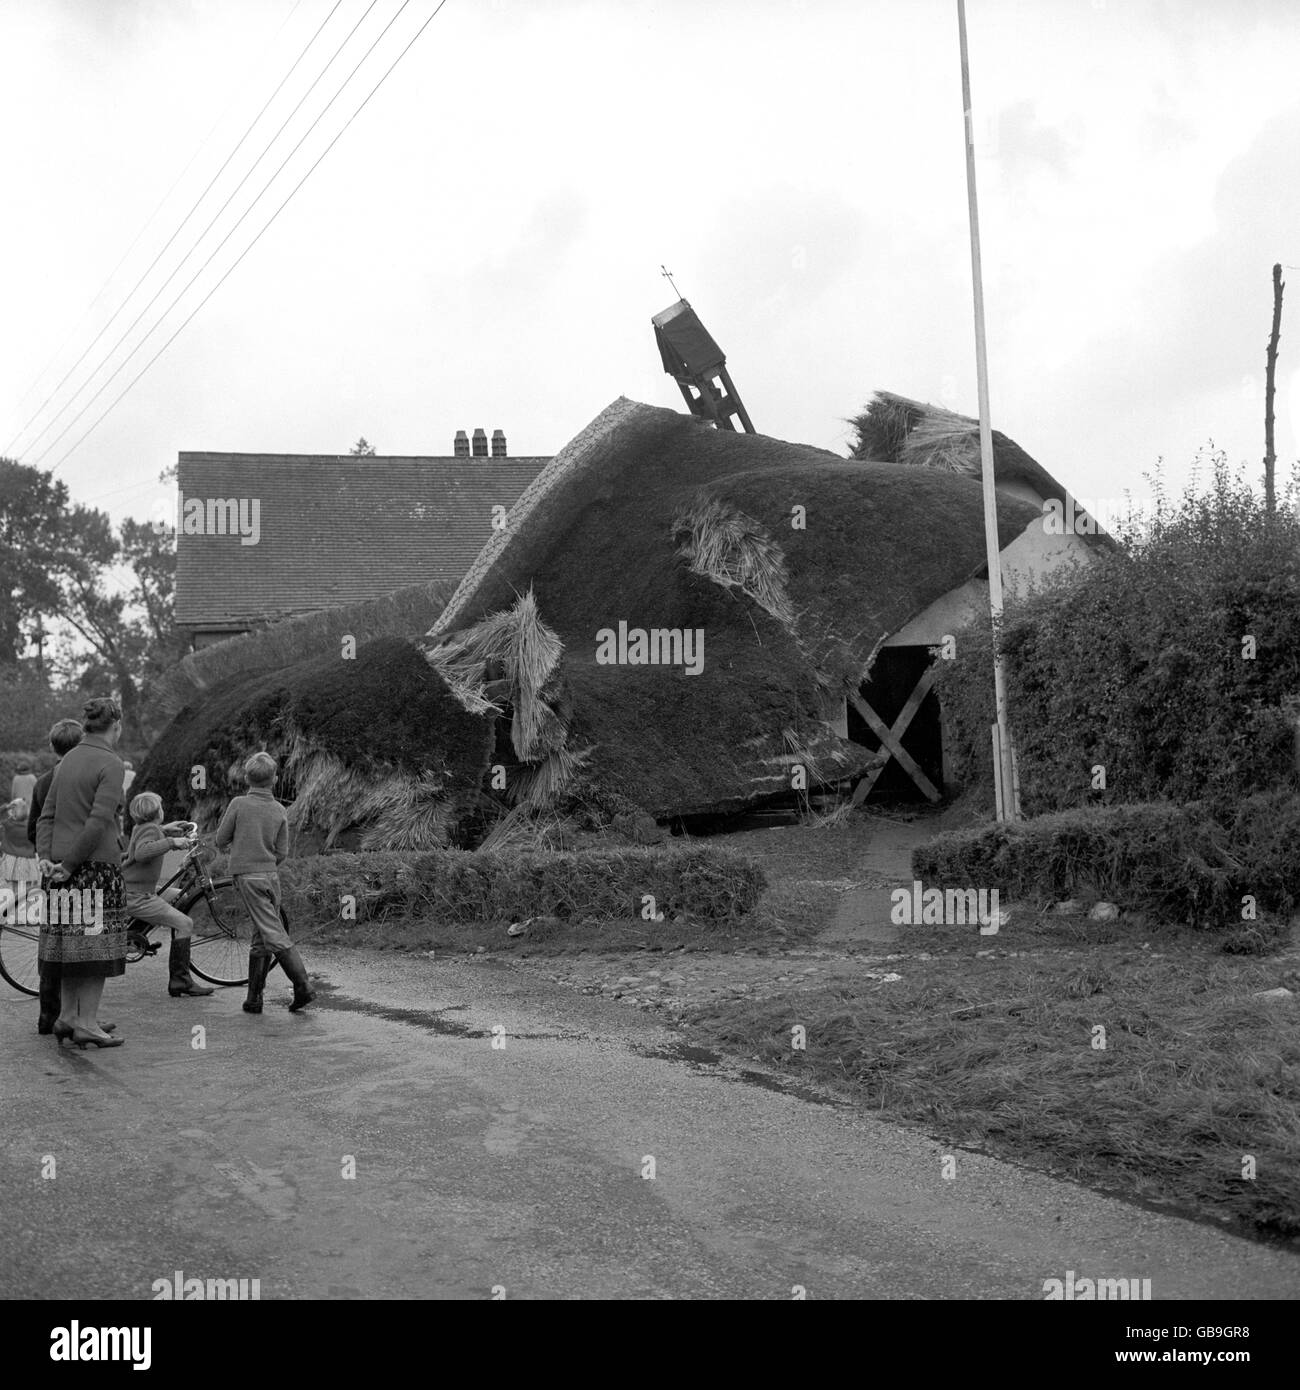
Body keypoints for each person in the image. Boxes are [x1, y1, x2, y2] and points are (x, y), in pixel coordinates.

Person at [35, 697, 128, 1049]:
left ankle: (68, 1017)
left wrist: (48, 858)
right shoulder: (111, 763)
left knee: (70, 950)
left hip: (58, 870)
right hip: (95, 870)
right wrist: (72, 863)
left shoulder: (69, 759)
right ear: (115, 726)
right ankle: (86, 1023)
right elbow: (98, 822)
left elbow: (47, 815)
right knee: (95, 953)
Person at [215, 752, 313, 1013]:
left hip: (248, 877)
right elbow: (282, 852)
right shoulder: (280, 809)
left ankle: (303, 985)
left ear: (246, 778)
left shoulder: (238, 804)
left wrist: (239, 851)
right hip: (271, 875)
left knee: (271, 931)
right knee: (262, 934)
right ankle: (254, 998)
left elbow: (220, 839)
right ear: (276, 779)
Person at [121, 792, 212, 998]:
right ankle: (180, 980)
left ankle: (135, 936)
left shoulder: (143, 827)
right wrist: (172, 841)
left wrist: (165, 829)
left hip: (137, 890)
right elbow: (142, 853)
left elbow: (147, 834)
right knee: (185, 924)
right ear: (157, 813)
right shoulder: (150, 829)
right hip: (138, 895)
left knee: (178, 895)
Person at [27, 720, 85, 1034]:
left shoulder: (42, 782)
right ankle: (76, 1016)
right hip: (79, 869)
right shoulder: (85, 779)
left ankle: (47, 1015)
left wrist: (45, 856)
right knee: (82, 943)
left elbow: (32, 829)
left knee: (53, 942)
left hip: (51, 869)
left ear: (52, 747)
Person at [1, 798, 40, 948]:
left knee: (14, 889)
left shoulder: (9, 825)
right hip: (28, 861)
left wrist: (6, 806)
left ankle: (14, 916)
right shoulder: (30, 826)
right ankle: (28, 916)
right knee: (26, 890)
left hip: (13, 861)